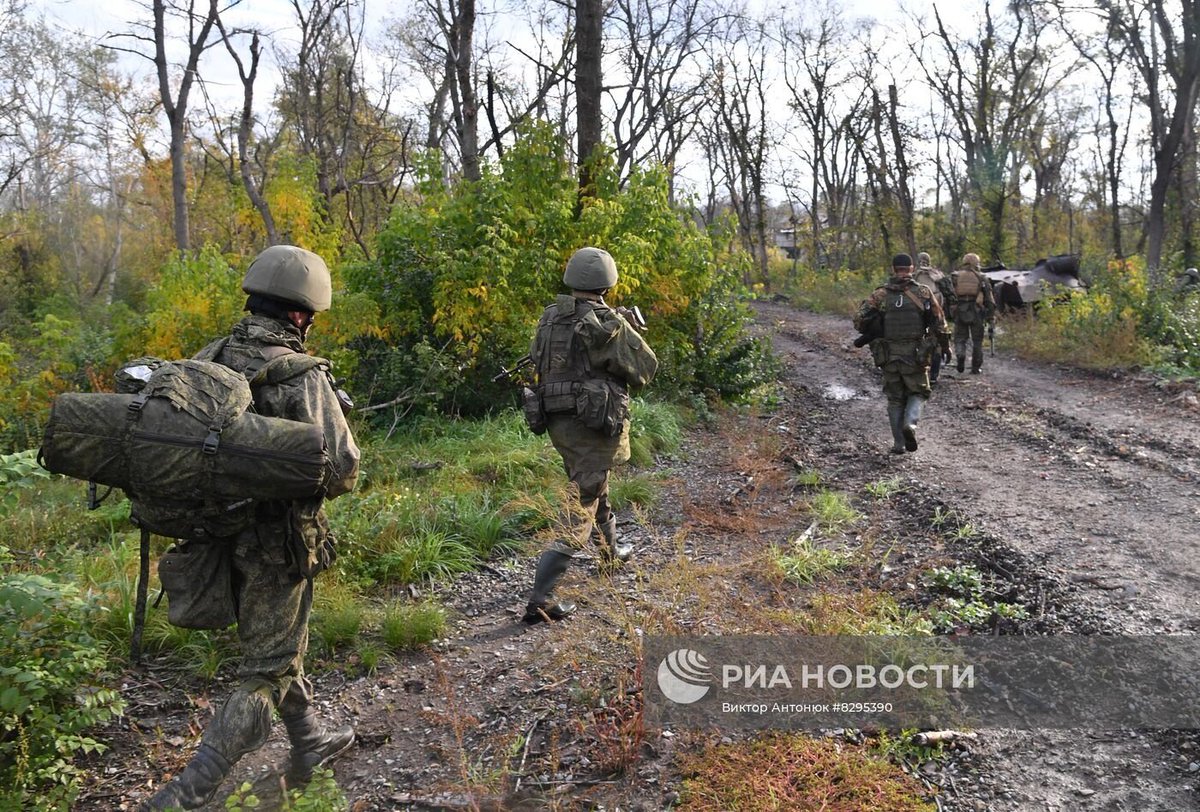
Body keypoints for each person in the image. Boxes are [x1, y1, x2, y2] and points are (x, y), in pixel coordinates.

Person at [141, 245, 361, 810]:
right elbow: (343, 469)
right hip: (274, 544)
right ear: (300, 314)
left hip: (210, 532)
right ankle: (187, 793)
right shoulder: (300, 374)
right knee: (265, 671)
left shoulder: (207, 358)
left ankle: (309, 743)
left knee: (278, 648)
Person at [523, 247, 658, 623]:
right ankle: (541, 600)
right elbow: (645, 369)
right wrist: (625, 329)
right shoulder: (606, 322)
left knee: (596, 484)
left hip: (558, 422)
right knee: (582, 502)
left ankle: (610, 553)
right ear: (607, 283)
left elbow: (543, 358)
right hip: (591, 422)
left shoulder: (551, 315)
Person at [854, 253, 950, 454]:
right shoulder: (923, 292)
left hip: (888, 354)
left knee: (895, 398)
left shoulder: (880, 294)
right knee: (919, 392)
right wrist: (945, 346)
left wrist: (877, 326)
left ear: (893, 269)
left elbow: (859, 321)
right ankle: (910, 425)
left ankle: (898, 444)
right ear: (911, 268)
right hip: (915, 354)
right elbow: (940, 323)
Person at [949, 252, 996, 374]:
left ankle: (960, 355)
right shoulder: (982, 277)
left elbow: (949, 296)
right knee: (977, 341)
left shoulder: (955, 277)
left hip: (960, 310)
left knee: (960, 338)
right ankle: (975, 367)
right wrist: (991, 316)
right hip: (977, 311)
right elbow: (989, 299)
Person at [912, 252, 951, 383]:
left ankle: (917, 371)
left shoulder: (914, 275)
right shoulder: (938, 275)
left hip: (917, 315)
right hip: (935, 312)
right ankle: (934, 375)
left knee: (915, 341)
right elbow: (949, 294)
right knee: (937, 342)